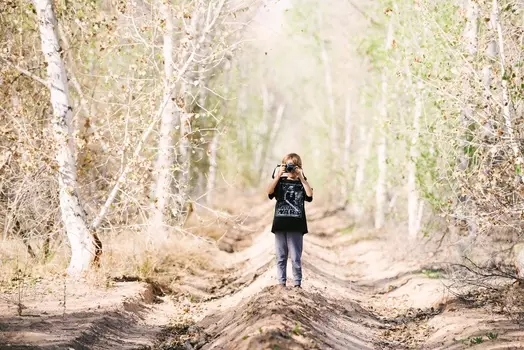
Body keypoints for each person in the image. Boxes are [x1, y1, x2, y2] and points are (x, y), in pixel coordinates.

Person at [266, 153, 313, 288]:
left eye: (293, 165)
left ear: (299, 167)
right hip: (280, 224)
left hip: (296, 225)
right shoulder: (280, 182)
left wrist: (302, 178)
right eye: (288, 165)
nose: (291, 168)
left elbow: (309, 196)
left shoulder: (302, 183)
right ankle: (281, 284)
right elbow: (269, 193)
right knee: (280, 257)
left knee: (296, 258)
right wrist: (278, 176)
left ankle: (297, 284)